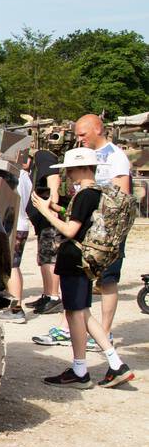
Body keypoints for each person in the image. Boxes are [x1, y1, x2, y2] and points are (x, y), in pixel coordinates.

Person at [30, 147, 133, 388]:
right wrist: (59, 210)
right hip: (85, 260)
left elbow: (70, 230)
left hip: (74, 259)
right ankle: (115, 363)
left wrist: (46, 211)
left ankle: (81, 370)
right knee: (83, 313)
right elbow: (83, 220)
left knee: (76, 313)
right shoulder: (97, 193)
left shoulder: (85, 194)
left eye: (71, 170)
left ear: (84, 168)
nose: (68, 175)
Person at [75, 112, 132, 337]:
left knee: (107, 280)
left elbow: (122, 195)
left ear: (97, 129)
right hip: (87, 226)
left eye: (83, 133)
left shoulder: (115, 157)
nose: (80, 138)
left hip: (108, 229)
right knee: (80, 275)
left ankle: (105, 331)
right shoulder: (86, 155)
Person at [26, 138, 64, 316]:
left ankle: (54, 297)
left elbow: (53, 177)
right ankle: (47, 294)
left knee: (51, 258)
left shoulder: (43, 156)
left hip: (49, 219)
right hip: (42, 220)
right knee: (44, 258)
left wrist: (53, 205)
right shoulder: (35, 162)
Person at [0, 148, 33, 323]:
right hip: (21, 223)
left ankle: (16, 309)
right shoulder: (25, 175)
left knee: (12, 267)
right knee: (15, 266)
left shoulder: (12, 175)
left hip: (13, 224)